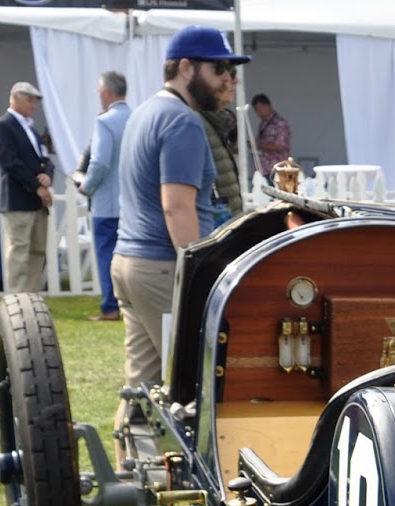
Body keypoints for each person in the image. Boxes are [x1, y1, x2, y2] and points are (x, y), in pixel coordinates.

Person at [112, 26, 249, 416]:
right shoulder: (182, 121)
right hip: (162, 269)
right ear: (186, 67)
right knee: (191, 385)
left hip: (131, 263)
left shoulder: (145, 112)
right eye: (219, 67)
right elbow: (177, 207)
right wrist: (200, 278)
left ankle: (131, 469)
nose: (228, 78)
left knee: (143, 383)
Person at [75, 71, 130, 321]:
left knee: (107, 255)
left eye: (99, 92)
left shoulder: (105, 122)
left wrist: (85, 187)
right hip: (132, 203)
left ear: (106, 93)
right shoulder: (137, 117)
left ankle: (110, 306)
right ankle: (128, 304)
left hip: (107, 204)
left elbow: (99, 163)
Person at [0, 81, 55, 293]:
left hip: (37, 203)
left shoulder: (32, 129)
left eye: (34, 100)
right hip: (18, 201)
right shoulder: (3, 125)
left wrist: (47, 176)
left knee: (37, 251)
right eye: (29, 99)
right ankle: (17, 300)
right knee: (19, 251)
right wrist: (36, 185)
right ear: (15, 98)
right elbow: (9, 162)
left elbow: (46, 159)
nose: (33, 105)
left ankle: (30, 297)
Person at [202, 73, 245, 225]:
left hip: (228, 223)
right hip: (216, 226)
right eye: (227, 74)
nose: (235, 81)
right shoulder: (197, 123)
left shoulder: (217, 123)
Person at [251, 94, 291, 177]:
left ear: (268, 106)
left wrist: (259, 145)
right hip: (263, 169)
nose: (258, 114)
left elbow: (280, 146)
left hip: (277, 170)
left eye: (259, 110)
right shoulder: (263, 123)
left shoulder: (280, 123)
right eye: (256, 111)